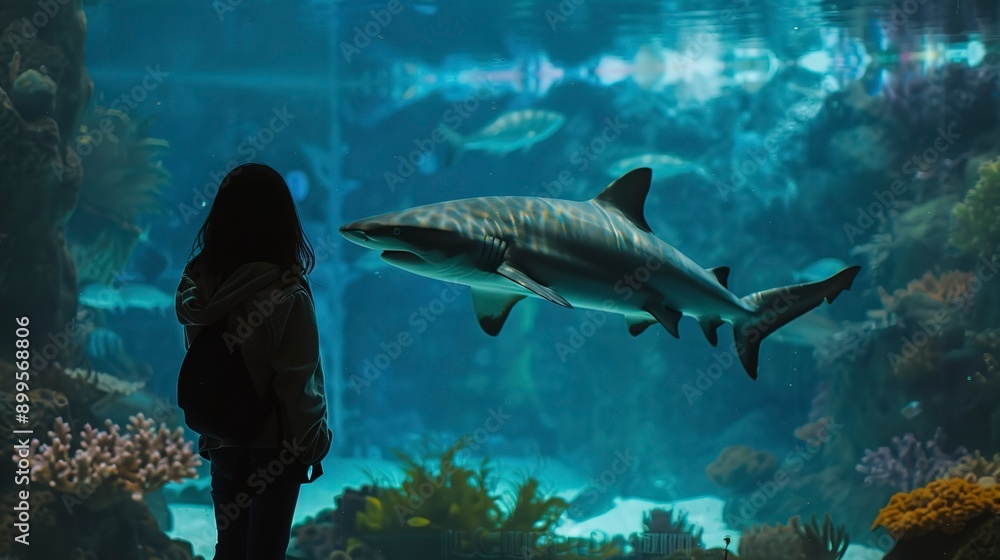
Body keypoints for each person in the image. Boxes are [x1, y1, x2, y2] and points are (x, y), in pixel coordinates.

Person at [175, 162, 332, 560]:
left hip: (222, 440)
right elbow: (296, 385)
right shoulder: (286, 293)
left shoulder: (199, 284)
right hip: (275, 449)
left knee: (229, 550)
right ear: (283, 220)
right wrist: (314, 444)